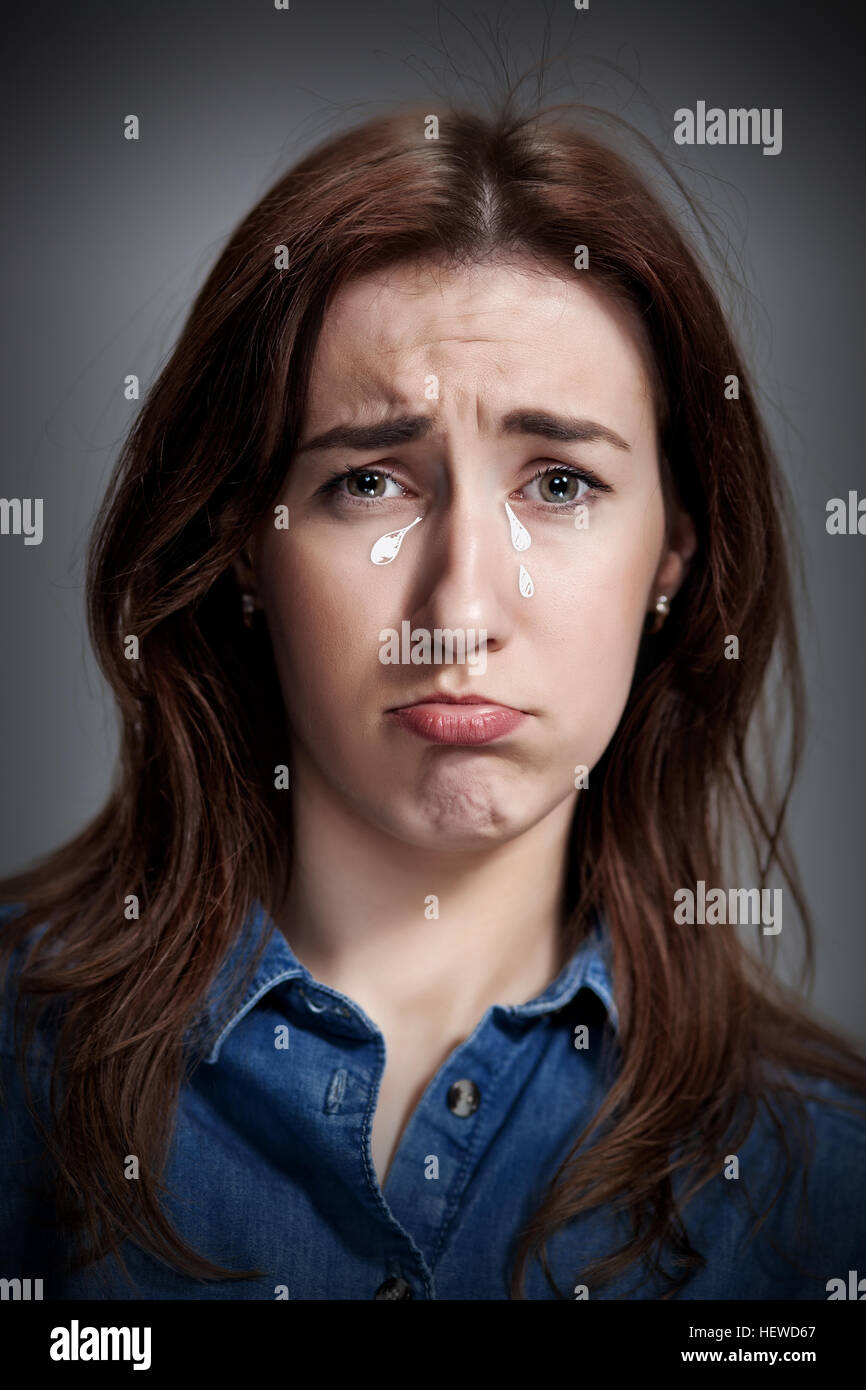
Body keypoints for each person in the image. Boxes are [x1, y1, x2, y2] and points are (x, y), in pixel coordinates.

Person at [2, 98, 864, 1302]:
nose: (459, 607)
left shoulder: (825, 1189)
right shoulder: (19, 1090)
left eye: (558, 482)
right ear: (244, 544)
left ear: (673, 552)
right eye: (369, 480)